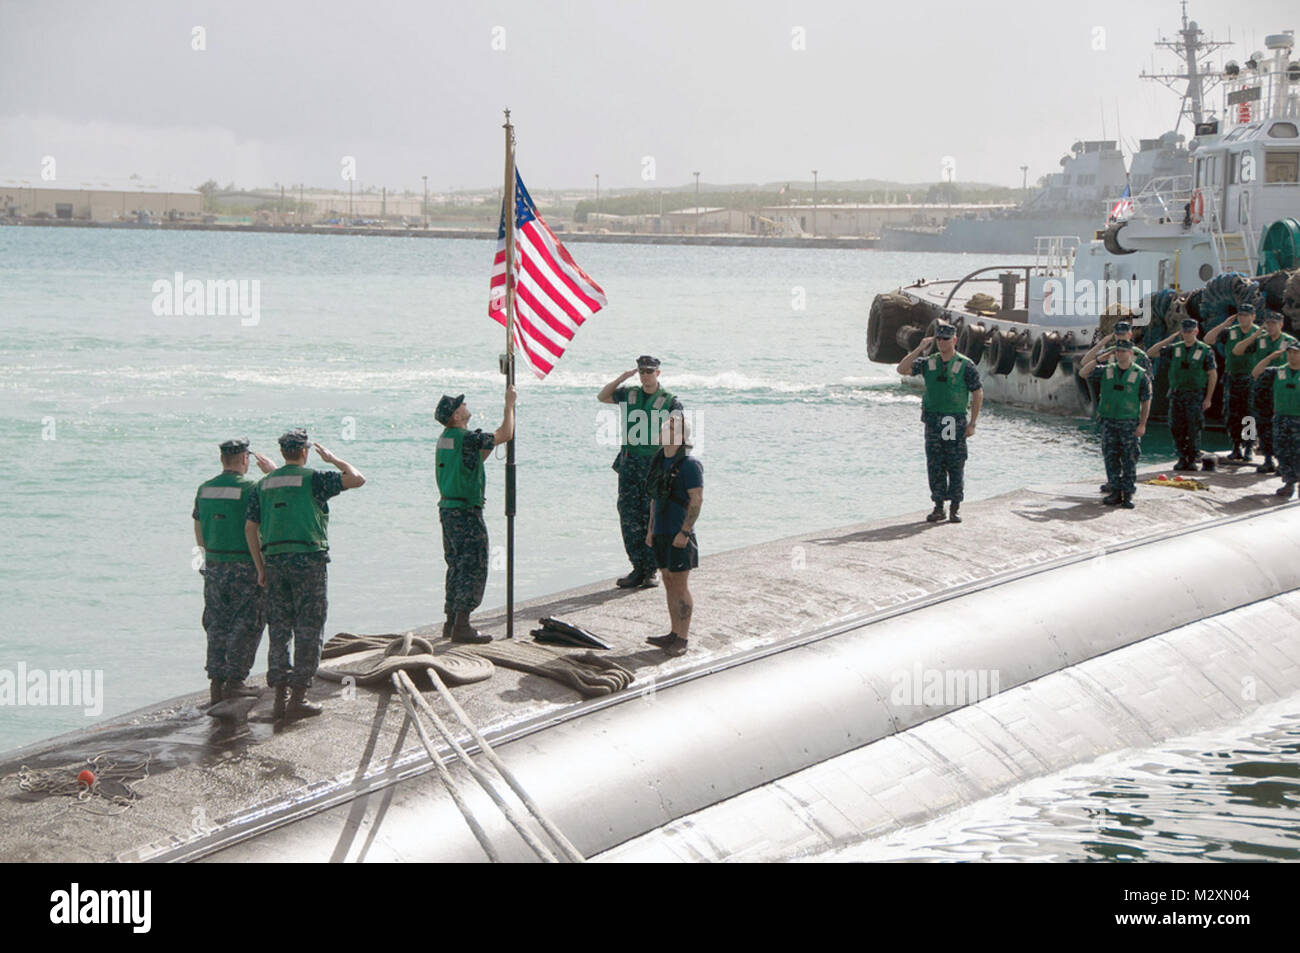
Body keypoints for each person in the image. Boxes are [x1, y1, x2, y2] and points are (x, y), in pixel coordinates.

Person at [244, 430, 365, 721]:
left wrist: (260, 567)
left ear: (283, 452)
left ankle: (280, 696)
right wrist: (334, 459)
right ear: (305, 452)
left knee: (280, 629)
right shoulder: (315, 479)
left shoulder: (263, 484)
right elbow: (357, 478)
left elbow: (250, 528)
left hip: (274, 561)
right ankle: (299, 696)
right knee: (309, 628)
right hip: (309, 561)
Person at [193, 438, 275, 705]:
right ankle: (236, 682)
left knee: (217, 624)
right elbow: (279, 496)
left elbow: (198, 530)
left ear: (221, 460)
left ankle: (217, 685)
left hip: (214, 565)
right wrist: (272, 472)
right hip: (245, 565)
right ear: (244, 459)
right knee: (247, 624)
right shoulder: (252, 488)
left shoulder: (204, 489)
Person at [434, 388, 515, 644]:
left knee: (456, 565)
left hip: (448, 510)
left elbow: (476, 459)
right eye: (461, 405)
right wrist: (509, 405)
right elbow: (506, 434)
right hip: (466, 512)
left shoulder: (446, 437)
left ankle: (451, 621)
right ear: (456, 416)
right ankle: (463, 625)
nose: (466, 404)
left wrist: (486, 441)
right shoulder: (465, 437)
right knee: (473, 566)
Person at [598, 355, 683, 587]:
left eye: (649, 371)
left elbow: (680, 429)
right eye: (642, 371)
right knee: (628, 515)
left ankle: (652, 569)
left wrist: (673, 463)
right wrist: (622, 378)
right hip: (629, 463)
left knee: (651, 516)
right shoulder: (629, 394)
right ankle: (638, 567)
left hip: (652, 465)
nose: (646, 375)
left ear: (658, 373)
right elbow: (602, 396)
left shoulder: (669, 400)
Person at [896, 322, 983, 523]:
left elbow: (977, 393)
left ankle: (955, 506)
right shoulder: (929, 362)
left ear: (954, 340)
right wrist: (919, 348)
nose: (942, 342)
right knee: (935, 464)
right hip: (934, 420)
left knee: (955, 463)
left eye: (946, 339)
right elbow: (902, 368)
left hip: (955, 420)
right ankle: (938, 506)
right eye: (939, 339)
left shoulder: (965, 365)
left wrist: (973, 423)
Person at [643, 414, 703, 658]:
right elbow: (655, 498)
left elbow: (696, 500)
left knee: (679, 585)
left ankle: (683, 637)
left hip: (679, 533)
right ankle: (673, 632)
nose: (664, 426)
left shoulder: (690, 465)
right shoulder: (660, 462)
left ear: (680, 437)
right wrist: (650, 529)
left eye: (670, 426)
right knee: (667, 581)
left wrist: (685, 532)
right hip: (661, 531)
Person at [1079, 340, 1151, 508]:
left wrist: (1142, 424)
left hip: (1129, 422)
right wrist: (1099, 359)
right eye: (1118, 351)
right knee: (1111, 457)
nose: (1120, 354)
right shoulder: (1106, 371)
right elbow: (1083, 373)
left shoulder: (1140, 375)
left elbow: (1146, 401)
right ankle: (1115, 491)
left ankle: (1128, 494)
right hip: (1109, 421)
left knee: (1129, 458)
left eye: (1124, 351)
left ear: (1131, 353)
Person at [1145, 318, 1218, 471]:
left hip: (1195, 394)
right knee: (1176, 427)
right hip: (1176, 394)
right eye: (1184, 331)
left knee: (1193, 427)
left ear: (1196, 332)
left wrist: (1208, 398)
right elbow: (1151, 353)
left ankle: (1192, 458)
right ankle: (1181, 457)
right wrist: (1171, 337)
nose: (1187, 334)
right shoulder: (1175, 349)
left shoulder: (1205, 351)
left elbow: (1212, 374)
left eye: (1190, 332)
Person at [1235, 310, 1298, 473]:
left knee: (1282, 426)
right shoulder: (1260, 340)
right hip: (1261, 387)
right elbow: (1238, 350)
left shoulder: (1290, 343)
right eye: (1268, 324)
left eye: (1273, 324)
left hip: (1282, 389)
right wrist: (1255, 334)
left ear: (1281, 325)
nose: (1270, 327)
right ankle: (1266, 458)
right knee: (1259, 423)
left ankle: (1282, 462)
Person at [1204, 303, 1260, 461]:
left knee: (1249, 413)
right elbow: (1208, 339)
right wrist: (1224, 324)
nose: (1243, 318)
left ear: (1253, 317)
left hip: (1251, 378)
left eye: (1246, 315)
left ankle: (1249, 447)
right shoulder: (1230, 332)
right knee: (1232, 412)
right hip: (1232, 377)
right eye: (1241, 315)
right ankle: (1236, 445)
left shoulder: (1259, 334)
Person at [1251, 340, 1300, 498]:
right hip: (1281, 418)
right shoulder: (1278, 371)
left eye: (1296, 353)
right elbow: (1256, 373)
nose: (1292, 356)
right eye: (1290, 352)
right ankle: (1289, 483)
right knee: (1282, 451)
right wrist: (1271, 356)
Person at [1081, 319, 1153, 377]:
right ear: (1114, 335)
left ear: (1130, 335)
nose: (1120, 337)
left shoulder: (1140, 355)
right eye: (1118, 334)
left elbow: (1148, 380)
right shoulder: (1109, 352)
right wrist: (1101, 344)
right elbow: (1084, 362)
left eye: (1123, 334)